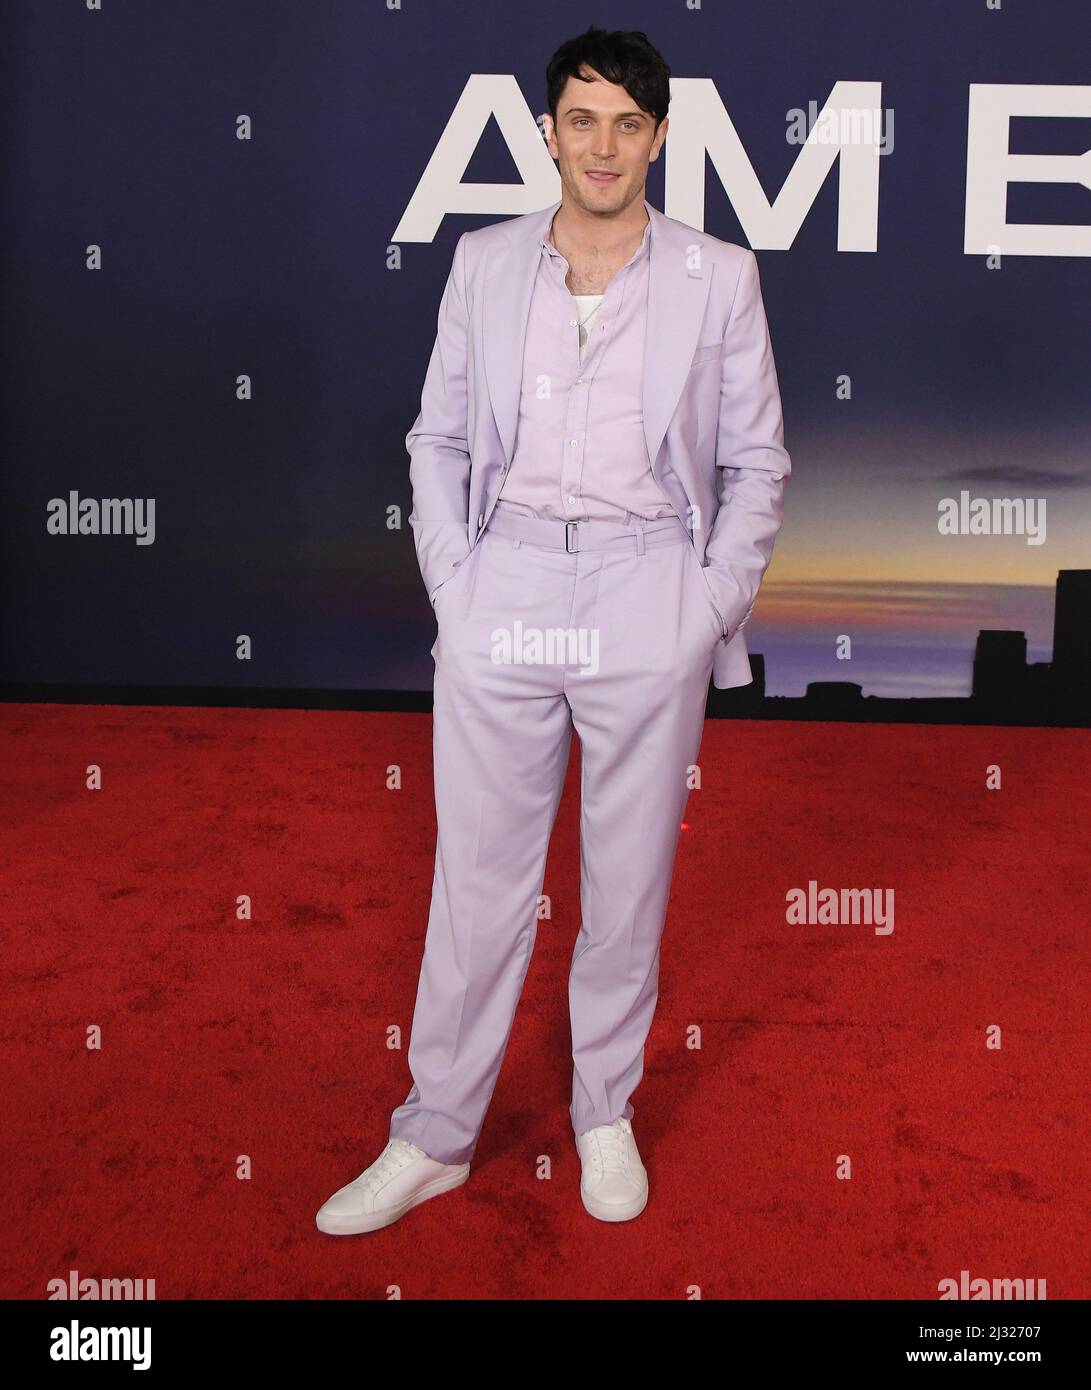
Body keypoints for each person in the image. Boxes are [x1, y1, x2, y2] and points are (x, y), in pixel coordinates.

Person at [317, 24, 791, 1235]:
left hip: (647, 594)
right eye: (581, 119)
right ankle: (433, 1132)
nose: (602, 144)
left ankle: (601, 1112)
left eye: (626, 122)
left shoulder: (715, 276)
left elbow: (756, 463)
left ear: (658, 138)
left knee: (624, 885)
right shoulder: (479, 265)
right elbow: (435, 439)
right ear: (547, 131)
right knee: (476, 883)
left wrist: (704, 610)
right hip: (505, 583)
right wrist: (456, 586)